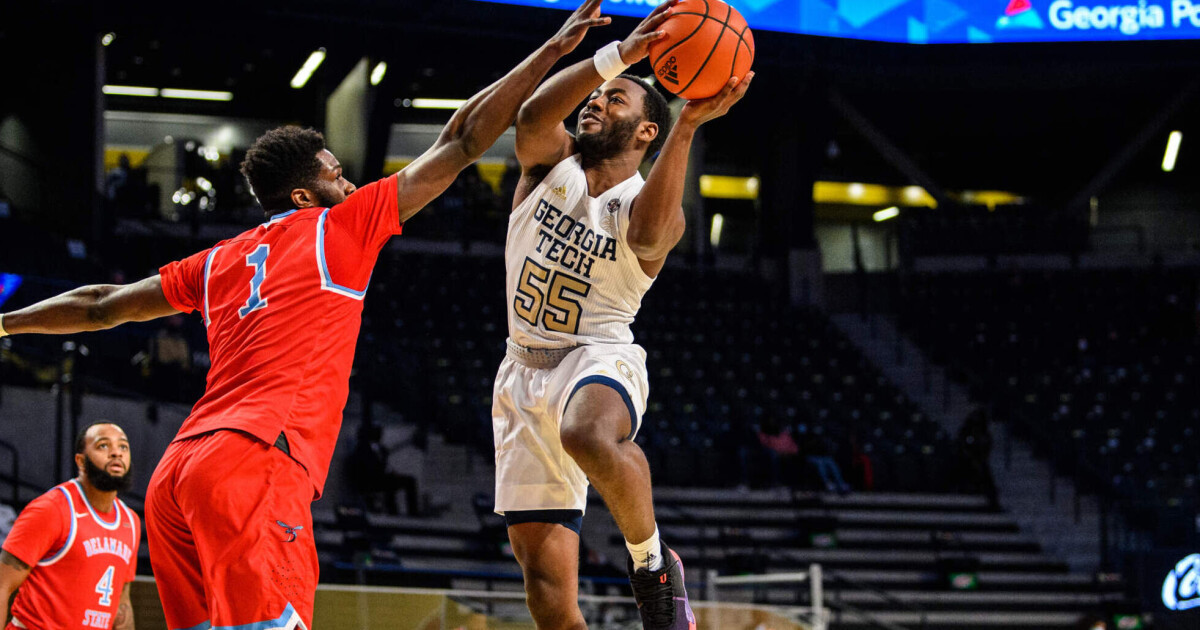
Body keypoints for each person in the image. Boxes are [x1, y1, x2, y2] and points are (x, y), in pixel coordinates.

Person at [0, 4, 615, 628]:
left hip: (176, 475)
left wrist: (4, 323)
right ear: (304, 196)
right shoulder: (337, 229)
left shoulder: (218, 260)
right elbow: (461, 138)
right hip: (254, 461)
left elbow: (101, 305)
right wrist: (552, 50)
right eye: (336, 173)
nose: (349, 184)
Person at [491, 0, 754, 627]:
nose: (597, 102)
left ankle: (653, 565)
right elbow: (530, 114)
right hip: (519, 372)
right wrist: (621, 56)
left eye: (616, 101)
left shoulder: (648, 204)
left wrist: (688, 127)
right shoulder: (547, 165)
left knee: (585, 432)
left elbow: (649, 238)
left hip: (597, 355)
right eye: (598, 96)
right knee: (549, 599)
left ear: (646, 133)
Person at [0, 423, 139, 630]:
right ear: (81, 461)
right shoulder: (52, 509)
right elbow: (2, 586)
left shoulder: (131, 522)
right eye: (103, 446)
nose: (116, 453)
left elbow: (122, 603)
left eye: (123, 447)